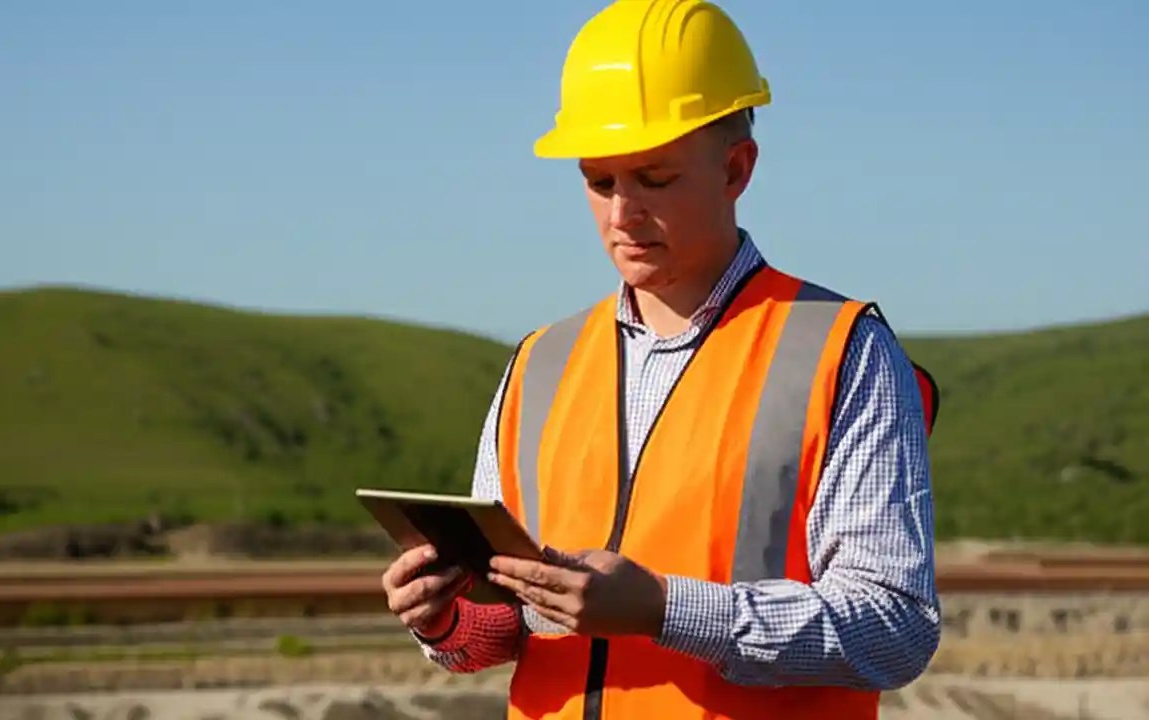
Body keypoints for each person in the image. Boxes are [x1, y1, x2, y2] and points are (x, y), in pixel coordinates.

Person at [380, 1, 942, 717]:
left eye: (654, 178)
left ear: (736, 168)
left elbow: (896, 630)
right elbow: (509, 631)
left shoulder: (843, 350)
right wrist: (443, 620)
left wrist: (665, 610)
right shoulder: (539, 365)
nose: (622, 214)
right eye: (600, 182)